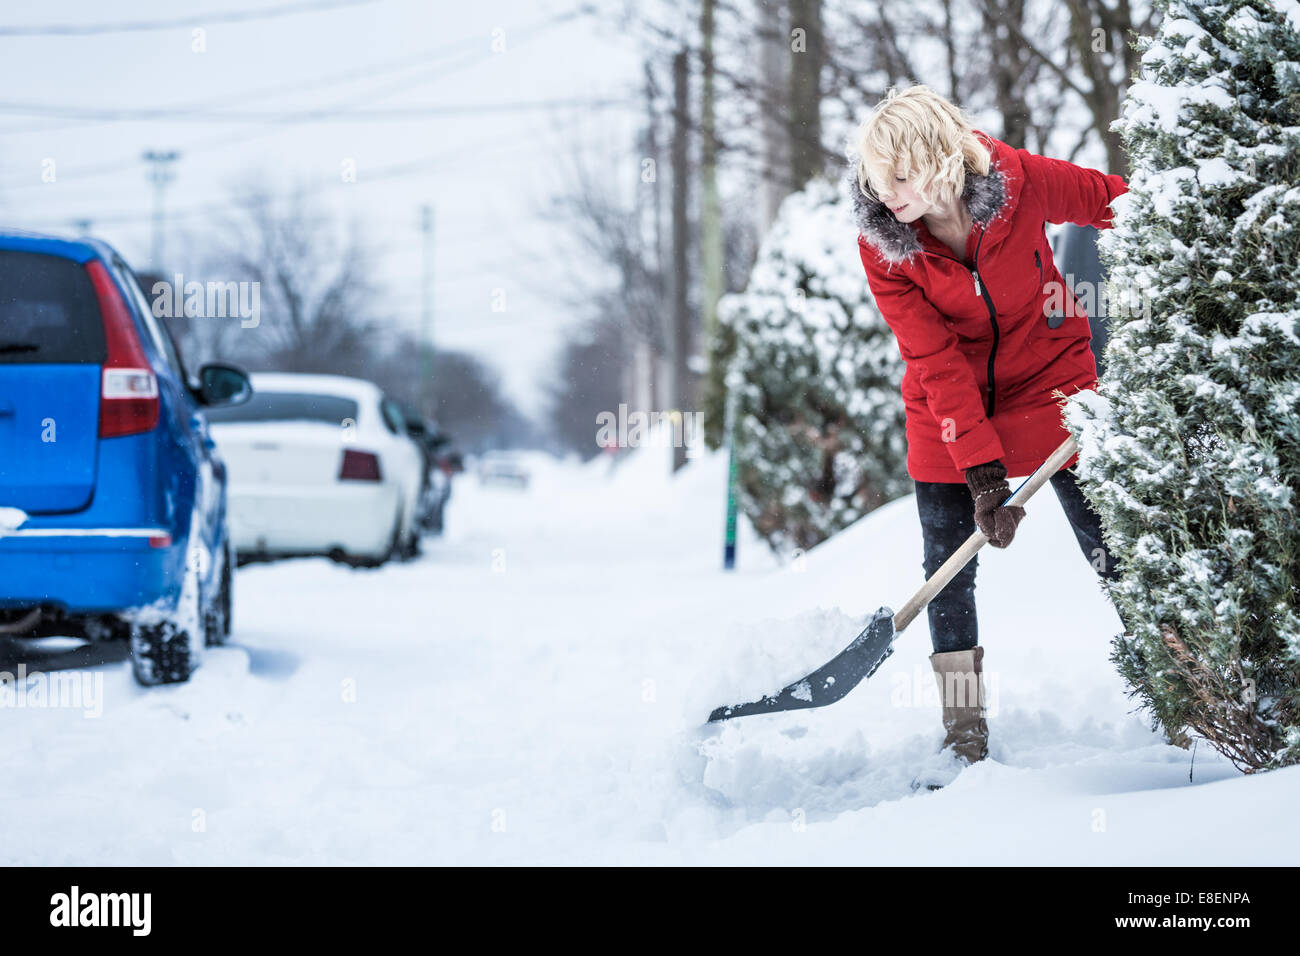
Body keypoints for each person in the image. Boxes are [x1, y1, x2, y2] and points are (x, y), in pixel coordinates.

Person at [848, 85, 1132, 767]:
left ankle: (1186, 686)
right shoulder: (886, 247)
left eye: (902, 175)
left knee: (1112, 544)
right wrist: (981, 475)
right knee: (947, 566)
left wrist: (1176, 255)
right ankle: (964, 733)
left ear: (939, 158)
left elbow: (1113, 199)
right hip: (947, 407)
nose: (888, 194)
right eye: (878, 180)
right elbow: (933, 359)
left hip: (1049, 382)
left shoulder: (1019, 181)